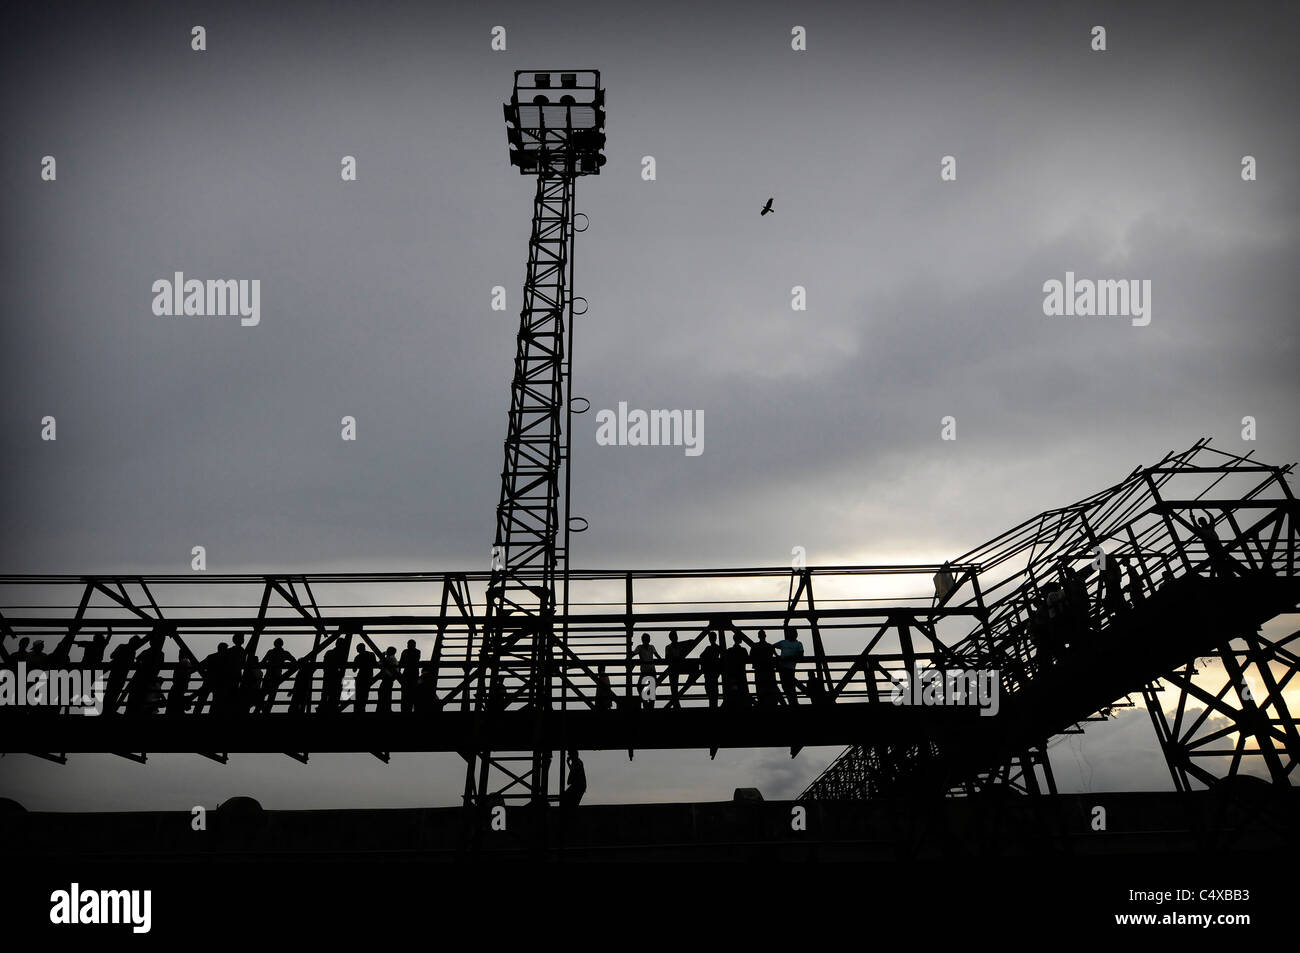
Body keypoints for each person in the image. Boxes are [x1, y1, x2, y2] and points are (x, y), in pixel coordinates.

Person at [259, 638, 295, 713]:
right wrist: (287, 664)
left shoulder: (270, 652)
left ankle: (260, 710)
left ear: (274, 644)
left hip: (268, 676)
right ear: (282, 644)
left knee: (262, 695)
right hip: (277, 676)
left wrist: (268, 664)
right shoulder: (284, 653)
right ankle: (266, 711)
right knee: (271, 696)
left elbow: (262, 662)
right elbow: (294, 661)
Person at [774, 627, 803, 706]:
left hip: (787, 668)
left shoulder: (794, 643)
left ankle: (792, 702)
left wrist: (778, 657)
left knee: (788, 686)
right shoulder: (796, 644)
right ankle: (793, 703)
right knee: (788, 686)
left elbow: (801, 655)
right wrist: (778, 656)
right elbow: (801, 654)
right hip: (787, 668)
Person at [750, 629, 779, 707]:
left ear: (758, 636)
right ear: (765, 636)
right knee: (770, 689)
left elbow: (751, 658)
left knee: (760, 690)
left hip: (759, 671)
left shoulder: (755, 646)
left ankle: (762, 704)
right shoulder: (769, 646)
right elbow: (776, 657)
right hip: (769, 671)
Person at [631, 633, 660, 708]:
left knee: (641, 687)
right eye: (646, 639)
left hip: (647, 671)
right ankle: (648, 705)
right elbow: (657, 656)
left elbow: (633, 654)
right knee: (649, 689)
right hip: (650, 671)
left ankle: (646, 704)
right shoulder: (649, 647)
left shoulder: (640, 647)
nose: (646, 640)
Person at [723, 632, 750, 708]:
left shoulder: (729, 650)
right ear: (740, 640)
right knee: (742, 691)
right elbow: (747, 659)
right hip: (741, 675)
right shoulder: (743, 650)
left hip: (733, 676)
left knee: (734, 691)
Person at [700, 631, 722, 708]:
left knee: (710, 692)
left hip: (708, 673)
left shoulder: (708, 648)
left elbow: (701, 656)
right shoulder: (718, 648)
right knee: (714, 693)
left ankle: (712, 707)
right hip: (714, 674)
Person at [1099, 553, 1125, 619]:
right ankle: (1120, 612)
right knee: (1118, 598)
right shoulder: (1110, 560)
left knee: (1115, 598)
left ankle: (1118, 613)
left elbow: (1115, 571)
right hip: (1113, 582)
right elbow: (1118, 571)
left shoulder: (1107, 560)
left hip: (1112, 582)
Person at [399, 639, 422, 713]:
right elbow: (416, 661)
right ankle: (413, 708)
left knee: (405, 693)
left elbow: (401, 662)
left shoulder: (405, 651)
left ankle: (405, 709)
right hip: (414, 673)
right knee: (414, 692)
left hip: (407, 673)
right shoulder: (417, 651)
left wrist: (399, 672)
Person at [664, 630, 686, 709]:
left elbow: (667, 658)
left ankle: (676, 704)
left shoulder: (668, 647)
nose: (676, 638)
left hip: (673, 668)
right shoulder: (679, 646)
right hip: (676, 668)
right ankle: (676, 704)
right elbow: (667, 658)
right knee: (674, 687)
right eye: (675, 636)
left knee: (673, 687)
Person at [377, 646, 399, 713]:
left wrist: (382, 656)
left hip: (387, 678)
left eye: (388, 650)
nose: (386, 651)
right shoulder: (393, 659)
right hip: (390, 678)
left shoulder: (389, 658)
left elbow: (379, 665)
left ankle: (382, 709)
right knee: (386, 694)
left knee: (382, 693)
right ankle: (386, 709)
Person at [353, 645, 375, 714]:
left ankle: (357, 710)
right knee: (365, 694)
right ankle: (362, 709)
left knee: (358, 694)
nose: (357, 650)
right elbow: (374, 664)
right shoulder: (371, 654)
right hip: (368, 676)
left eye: (357, 649)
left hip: (361, 676)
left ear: (359, 649)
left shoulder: (357, 657)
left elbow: (354, 670)